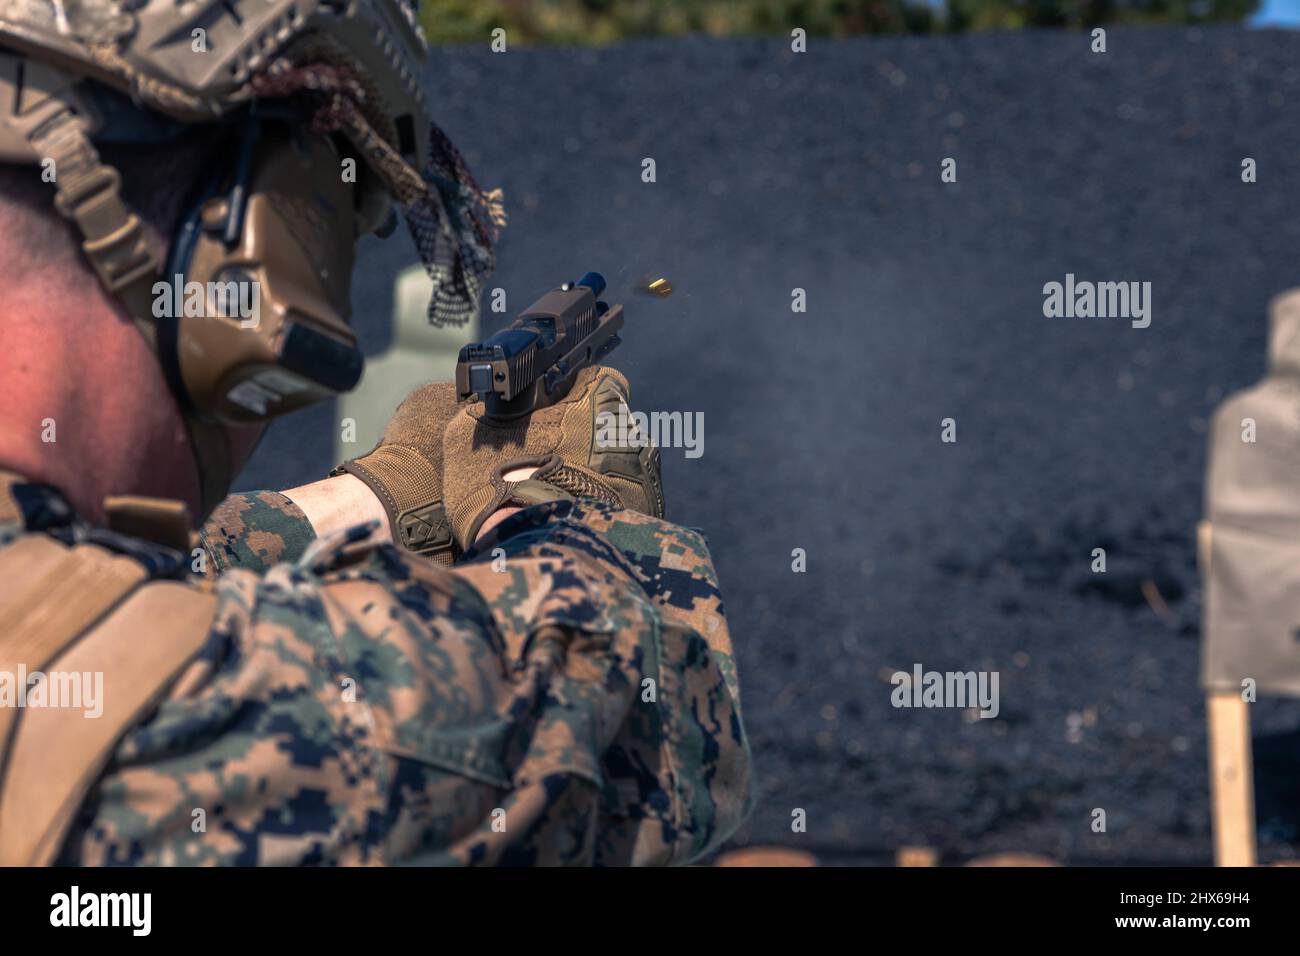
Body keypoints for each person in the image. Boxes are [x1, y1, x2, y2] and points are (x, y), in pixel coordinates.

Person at [0, 0, 750, 866]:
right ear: (262, 255)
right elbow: (640, 737)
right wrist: (553, 505)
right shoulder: (180, 725)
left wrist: (372, 498)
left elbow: (95, 581)